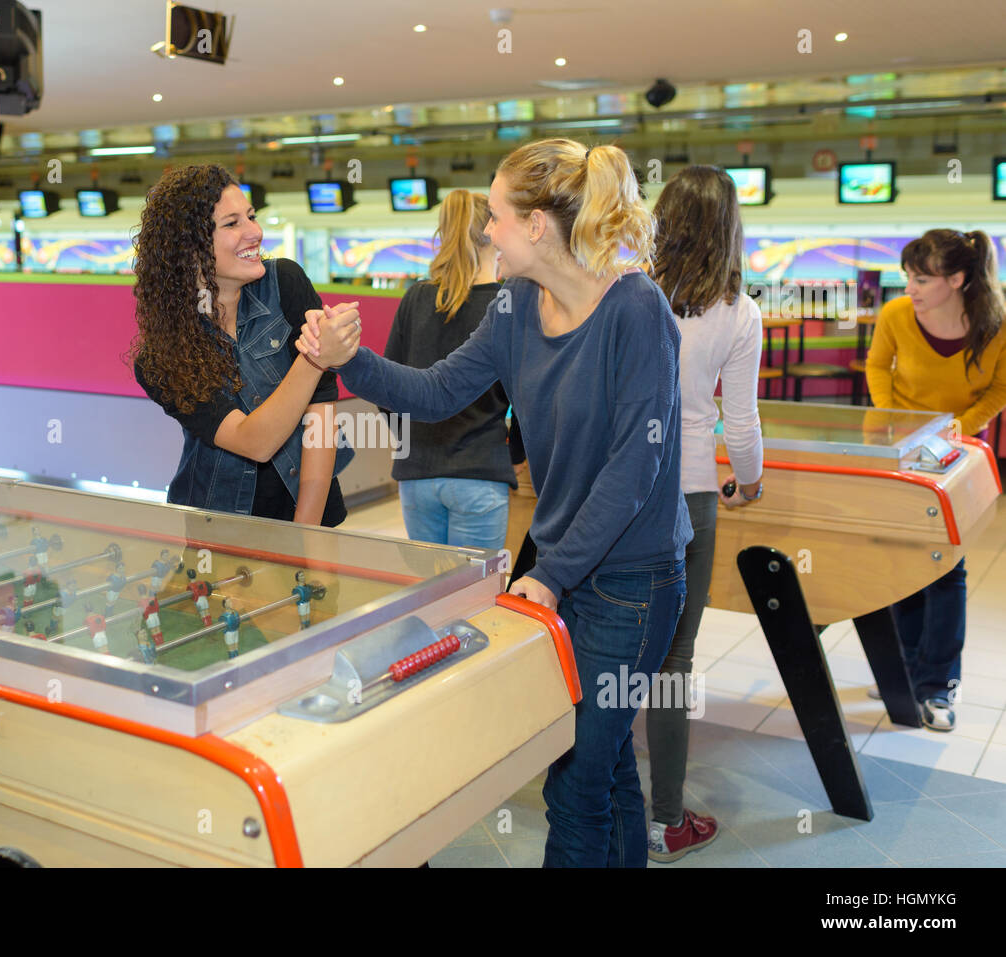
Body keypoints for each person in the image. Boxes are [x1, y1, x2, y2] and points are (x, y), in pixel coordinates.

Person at [303, 139, 692, 867]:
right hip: (567, 571)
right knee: (604, 765)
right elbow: (438, 390)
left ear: (538, 225)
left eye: (495, 215)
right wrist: (346, 361)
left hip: (634, 584)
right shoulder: (515, 305)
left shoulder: (637, 310)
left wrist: (548, 573)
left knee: (574, 777)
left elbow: (632, 468)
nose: (486, 231)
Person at [644, 165, 765, 862]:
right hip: (689, 492)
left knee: (607, 645)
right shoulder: (738, 312)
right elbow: (739, 422)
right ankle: (665, 818)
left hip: (619, 489)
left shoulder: (626, 290)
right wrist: (747, 483)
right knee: (672, 660)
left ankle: (591, 795)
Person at [130, 164, 360, 526]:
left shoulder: (286, 283)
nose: (255, 232)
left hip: (312, 513)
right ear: (190, 246)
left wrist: (307, 532)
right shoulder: (163, 355)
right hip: (221, 527)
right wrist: (315, 359)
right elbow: (253, 441)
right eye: (232, 223)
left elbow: (321, 416)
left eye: (251, 217)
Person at [866, 228, 1006, 731]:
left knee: (947, 569)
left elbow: (998, 390)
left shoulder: (994, 325)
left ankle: (938, 685)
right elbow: (878, 367)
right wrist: (896, 423)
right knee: (902, 558)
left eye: (922, 279)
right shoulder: (896, 316)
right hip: (896, 447)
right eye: (909, 277)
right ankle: (904, 670)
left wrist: (952, 431)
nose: (911, 288)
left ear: (958, 279)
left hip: (953, 455)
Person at [383, 190, 514, 549]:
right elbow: (527, 395)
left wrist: (411, 442)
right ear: (493, 233)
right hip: (479, 474)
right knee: (475, 598)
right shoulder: (505, 303)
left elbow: (388, 389)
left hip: (417, 477)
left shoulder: (416, 297)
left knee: (434, 596)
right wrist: (515, 455)